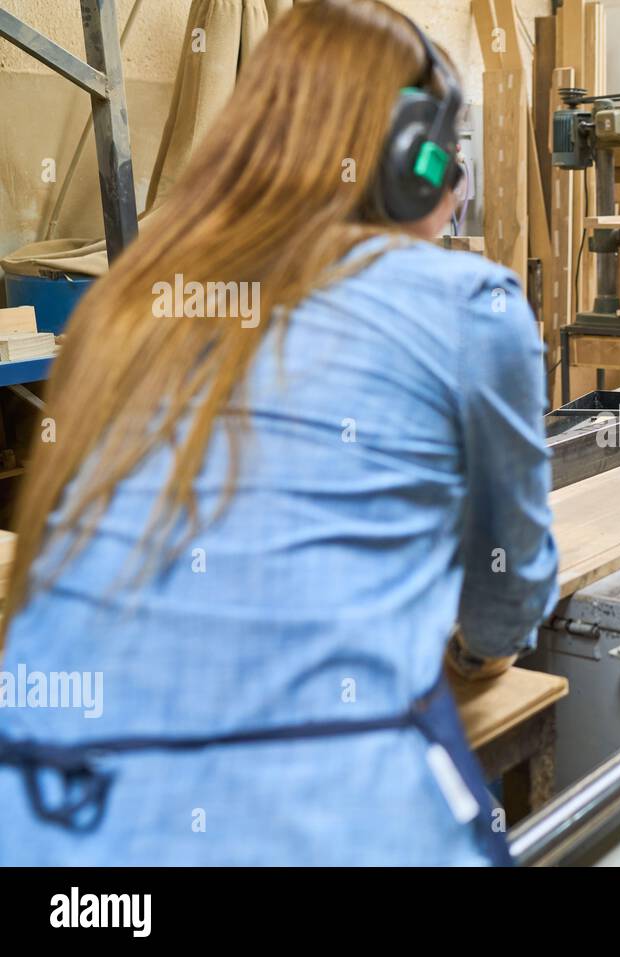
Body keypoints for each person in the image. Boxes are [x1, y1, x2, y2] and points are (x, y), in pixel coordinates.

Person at [0, 0, 557, 866]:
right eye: (446, 152)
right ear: (416, 161)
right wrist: (476, 651)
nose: (457, 185)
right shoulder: (469, 305)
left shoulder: (125, 306)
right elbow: (513, 588)